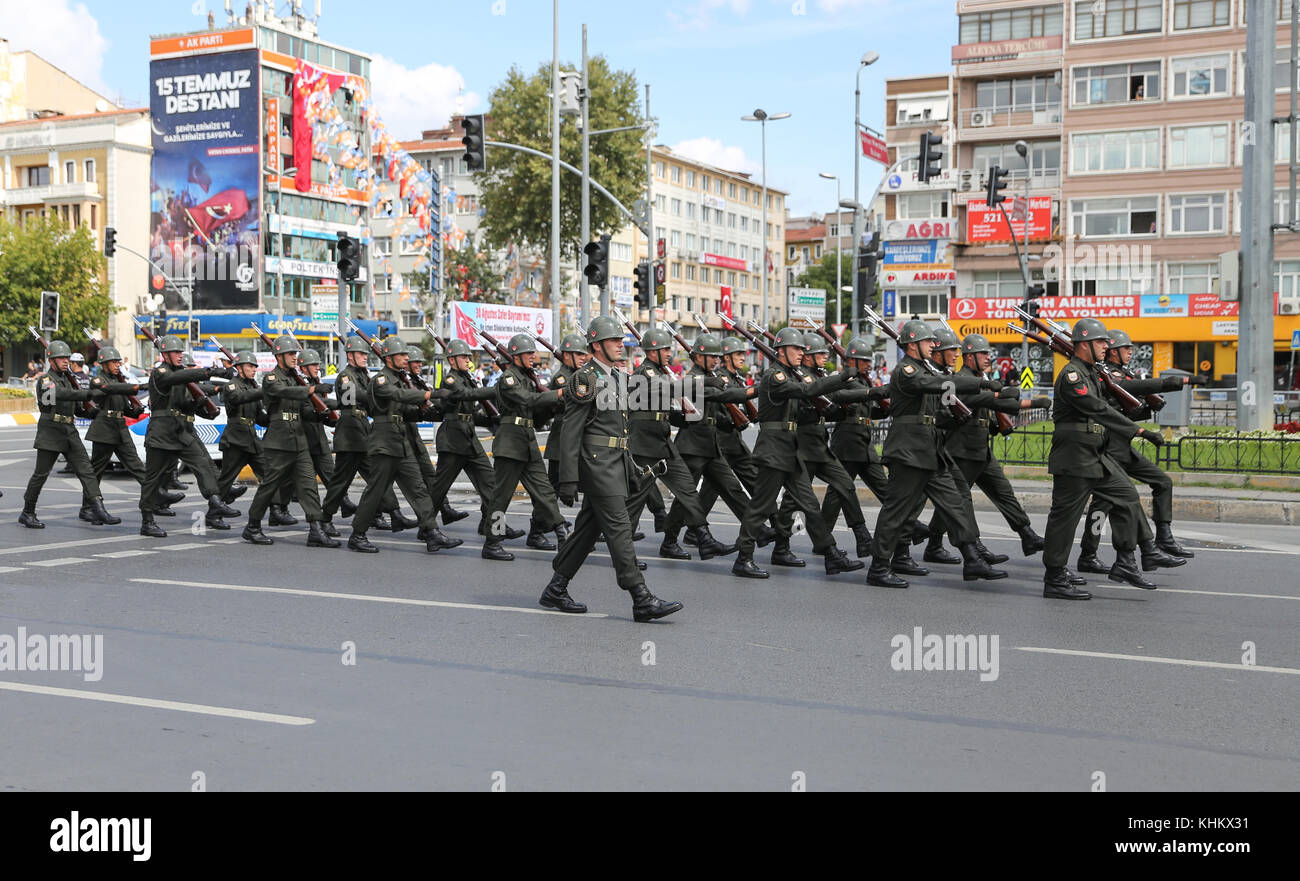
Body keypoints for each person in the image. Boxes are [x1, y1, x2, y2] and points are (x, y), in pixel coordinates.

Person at [543, 317, 681, 621]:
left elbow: (623, 426)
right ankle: (640, 597)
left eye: (621, 340)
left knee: (587, 532)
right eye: (614, 340)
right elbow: (570, 430)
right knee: (620, 529)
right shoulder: (585, 379)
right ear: (596, 345)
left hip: (614, 463)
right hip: (596, 465)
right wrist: (568, 478)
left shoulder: (618, 377)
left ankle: (556, 588)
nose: (621, 344)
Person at [864, 321, 1008, 589]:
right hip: (907, 450)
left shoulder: (924, 369)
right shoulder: (907, 370)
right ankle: (879, 566)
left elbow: (940, 410)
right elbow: (943, 383)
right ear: (912, 344)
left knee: (955, 504)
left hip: (930, 450)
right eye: (928, 341)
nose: (934, 345)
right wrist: (982, 384)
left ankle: (972, 558)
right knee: (895, 511)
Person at [1041, 318, 1167, 599]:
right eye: (1100, 342)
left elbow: (1112, 402)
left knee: (1127, 496)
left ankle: (1125, 561)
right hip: (1074, 457)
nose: (1106, 346)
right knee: (1065, 519)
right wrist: (1139, 431)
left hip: (1096, 454)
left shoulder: (1091, 373)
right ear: (1084, 344)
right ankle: (1054, 577)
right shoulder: (1072, 375)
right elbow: (1096, 408)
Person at [729, 327, 862, 579]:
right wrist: (842, 376)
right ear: (780, 351)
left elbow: (809, 401)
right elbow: (806, 391)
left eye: (803, 349)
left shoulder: (791, 375)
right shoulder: (774, 377)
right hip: (773, 450)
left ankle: (831, 554)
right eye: (796, 349)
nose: (801, 353)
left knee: (811, 505)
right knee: (760, 506)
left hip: (790, 450)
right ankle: (743, 558)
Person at [1075, 328, 1194, 573]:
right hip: (1109, 449)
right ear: (1114, 351)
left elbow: (1130, 410)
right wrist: (1168, 384)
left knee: (1162, 482)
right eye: (1126, 348)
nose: (1131, 352)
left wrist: (1147, 406)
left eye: (1131, 348)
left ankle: (1164, 537)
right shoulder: (1107, 374)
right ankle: (1090, 554)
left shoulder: (1122, 373)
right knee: (1104, 505)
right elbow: (1122, 393)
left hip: (1123, 448)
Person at [344, 336, 448, 554]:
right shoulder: (381, 380)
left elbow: (404, 410)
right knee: (376, 490)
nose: (406, 358)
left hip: (400, 441)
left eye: (406, 355)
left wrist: (425, 411)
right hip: (383, 441)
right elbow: (397, 395)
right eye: (401, 355)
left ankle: (432, 532)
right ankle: (357, 535)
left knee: (418, 488)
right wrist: (426, 394)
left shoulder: (401, 379)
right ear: (389, 358)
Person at [239, 335, 339, 548]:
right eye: (291, 354)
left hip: (299, 441)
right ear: (279, 356)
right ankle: (253, 526)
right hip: (279, 442)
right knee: (269, 486)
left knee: (308, 486)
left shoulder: (296, 380)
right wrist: (310, 390)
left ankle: (316, 529)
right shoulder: (271, 379)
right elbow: (282, 392)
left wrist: (321, 414)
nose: (296, 357)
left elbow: (303, 410)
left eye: (296, 353)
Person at [137, 337, 238, 538]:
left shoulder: (182, 378)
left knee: (203, 464)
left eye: (181, 352)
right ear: (165, 355)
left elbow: (190, 397)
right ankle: (147, 519)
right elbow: (179, 379)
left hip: (180, 432)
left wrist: (210, 396)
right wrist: (211, 371)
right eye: (175, 352)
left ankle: (216, 502)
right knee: (152, 478)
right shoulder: (161, 372)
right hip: (161, 432)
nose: (180, 355)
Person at [426, 337, 516, 561]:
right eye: (464, 357)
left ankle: (496, 530)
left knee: (493, 487)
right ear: (453, 360)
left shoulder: (466, 378)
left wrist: (489, 420)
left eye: (468, 356)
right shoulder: (450, 380)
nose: (468, 359)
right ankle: (427, 529)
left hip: (469, 438)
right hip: (453, 440)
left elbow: (470, 412)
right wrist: (495, 390)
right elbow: (464, 397)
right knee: (438, 491)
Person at [483, 334, 568, 551]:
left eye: (533, 352)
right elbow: (528, 400)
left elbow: (536, 414)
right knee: (501, 498)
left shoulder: (528, 379)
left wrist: (553, 408)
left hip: (527, 441)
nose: (533, 356)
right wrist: (558, 393)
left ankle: (561, 532)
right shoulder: (509, 379)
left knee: (545, 491)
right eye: (528, 353)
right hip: (510, 443)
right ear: (515, 356)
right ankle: (493, 543)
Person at [19, 341, 114, 529]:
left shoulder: (70, 380)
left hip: (69, 431)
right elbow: (58, 395)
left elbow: (79, 410)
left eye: (67, 358)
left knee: (87, 470)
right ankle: (27, 512)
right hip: (51, 430)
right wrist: (85, 394)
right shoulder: (46, 380)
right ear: (51, 361)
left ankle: (98, 507)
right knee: (41, 474)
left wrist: (94, 411)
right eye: (61, 358)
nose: (65, 361)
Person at [84, 345, 184, 520]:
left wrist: (135, 410)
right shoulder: (98, 380)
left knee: (137, 465)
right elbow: (104, 393)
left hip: (120, 428)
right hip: (104, 429)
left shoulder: (120, 380)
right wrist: (136, 387)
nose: (117, 365)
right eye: (113, 362)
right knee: (96, 471)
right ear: (103, 364)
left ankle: (156, 494)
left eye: (118, 362)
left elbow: (123, 408)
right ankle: (87, 508)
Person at [318, 336, 397, 533]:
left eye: (365, 354)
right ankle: (325, 518)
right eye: (361, 354)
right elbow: (351, 398)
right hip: (350, 433)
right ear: (351, 356)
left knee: (377, 478)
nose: (365, 357)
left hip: (363, 431)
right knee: (340, 482)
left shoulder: (363, 376)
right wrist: (377, 392)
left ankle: (384, 513)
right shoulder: (345, 377)